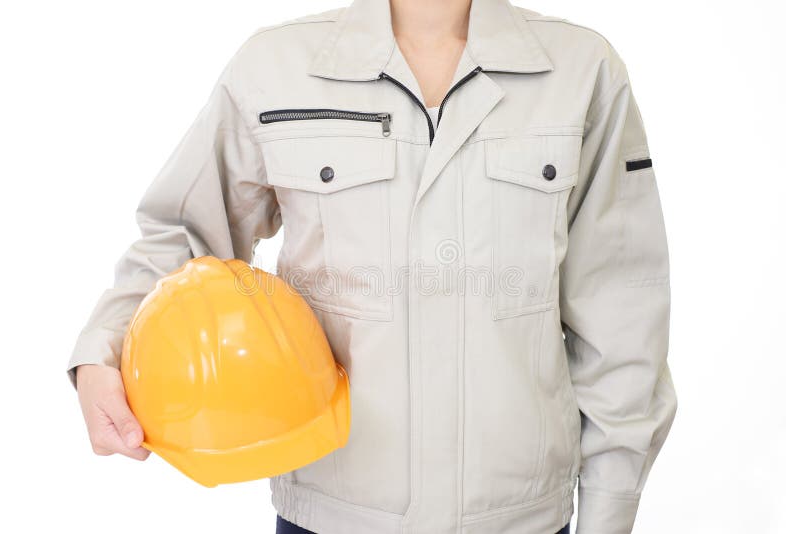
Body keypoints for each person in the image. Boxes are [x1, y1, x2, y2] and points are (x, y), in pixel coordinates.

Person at [68, 1, 677, 533]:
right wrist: (103, 350)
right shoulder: (275, 67)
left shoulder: (581, 69)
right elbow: (182, 235)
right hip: (329, 514)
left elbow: (622, 306)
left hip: (524, 518)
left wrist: (609, 508)